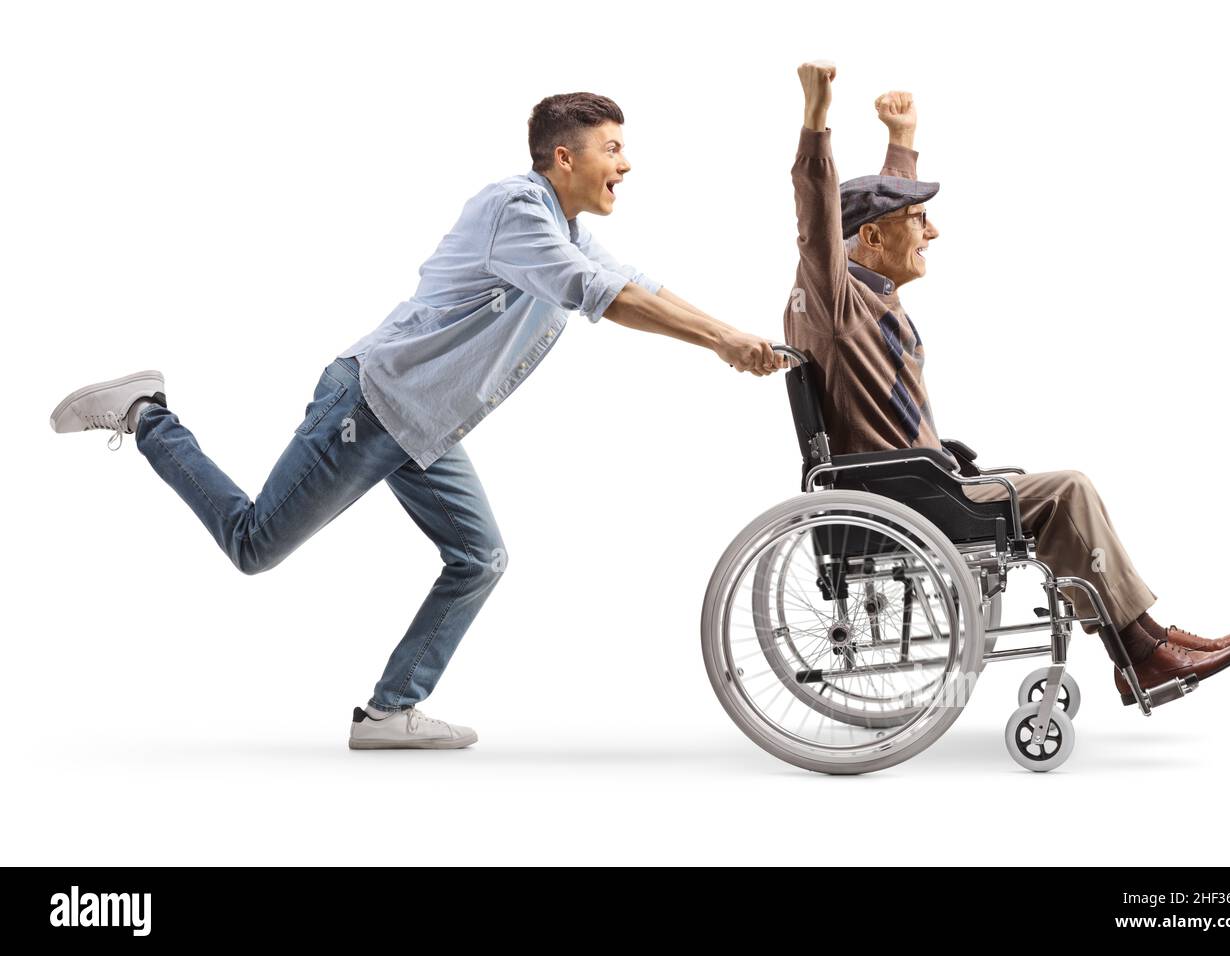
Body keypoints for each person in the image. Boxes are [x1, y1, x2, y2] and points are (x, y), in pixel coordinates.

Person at [49, 91, 785, 749]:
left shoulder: (563, 225)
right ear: (566, 157)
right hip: (371, 407)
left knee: (479, 557)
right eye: (613, 147)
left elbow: (635, 282)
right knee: (253, 546)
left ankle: (390, 712)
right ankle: (147, 414)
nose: (627, 162)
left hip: (423, 430)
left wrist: (734, 335)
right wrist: (722, 343)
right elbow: (600, 294)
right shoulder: (517, 209)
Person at [783, 61, 1230, 705]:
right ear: (867, 238)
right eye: (919, 221)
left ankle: (1146, 643)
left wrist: (903, 136)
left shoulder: (870, 288)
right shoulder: (835, 301)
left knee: (1060, 498)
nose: (933, 231)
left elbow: (877, 208)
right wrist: (815, 120)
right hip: (904, 494)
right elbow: (819, 216)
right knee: (1067, 488)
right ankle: (1144, 652)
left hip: (917, 482)